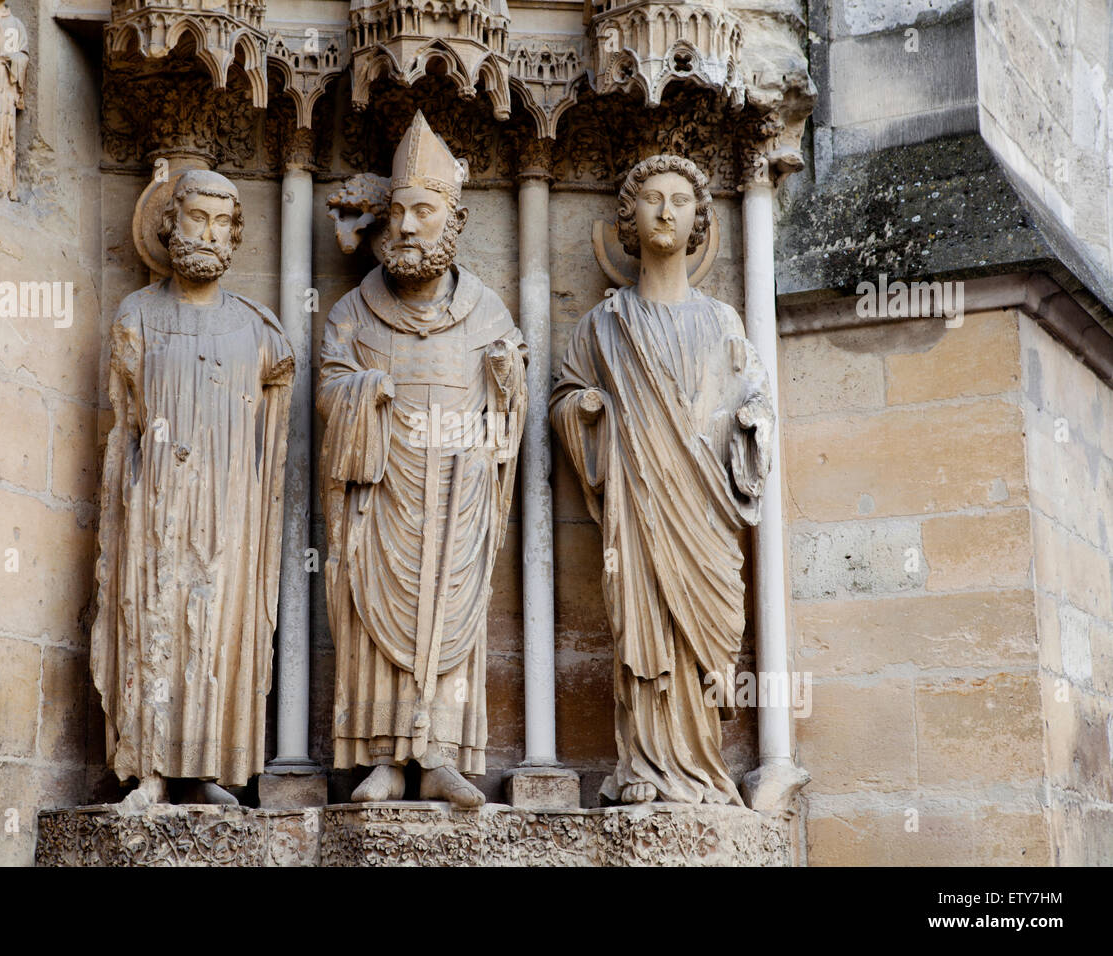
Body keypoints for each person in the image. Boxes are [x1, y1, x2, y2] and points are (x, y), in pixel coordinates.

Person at [550, 154, 774, 805]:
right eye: (652, 198)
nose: (667, 210)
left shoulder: (723, 322)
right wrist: (587, 413)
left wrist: (752, 427)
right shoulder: (603, 326)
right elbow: (566, 398)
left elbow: (754, 405)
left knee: (705, 638)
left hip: (705, 518)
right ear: (629, 217)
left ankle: (702, 768)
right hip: (639, 515)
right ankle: (645, 767)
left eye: (680, 199)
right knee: (641, 635)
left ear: (702, 219)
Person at [318, 112, 527, 807]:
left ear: (455, 220)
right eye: (399, 212)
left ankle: (441, 753)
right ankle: (382, 756)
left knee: (457, 613)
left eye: (424, 212)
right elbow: (327, 388)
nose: (408, 227)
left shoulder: (488, 313)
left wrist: (506, 385)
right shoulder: (351, 311)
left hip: (459, 492)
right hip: (382, 493)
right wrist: (364, 393)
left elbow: (510, 409)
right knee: (372, 614)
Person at [92, 170, 294, 810]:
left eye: (218, 223)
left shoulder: (262, 334)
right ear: (169, 225)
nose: (205, 233)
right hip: (154, 503)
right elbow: (123, 425)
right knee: (153, 619)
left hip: (230, 507)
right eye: (193, 218)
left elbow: (274, 444)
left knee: (215, 626)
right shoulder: (137, 316)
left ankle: (206, 763)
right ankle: (149, 764)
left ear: (234, 236)